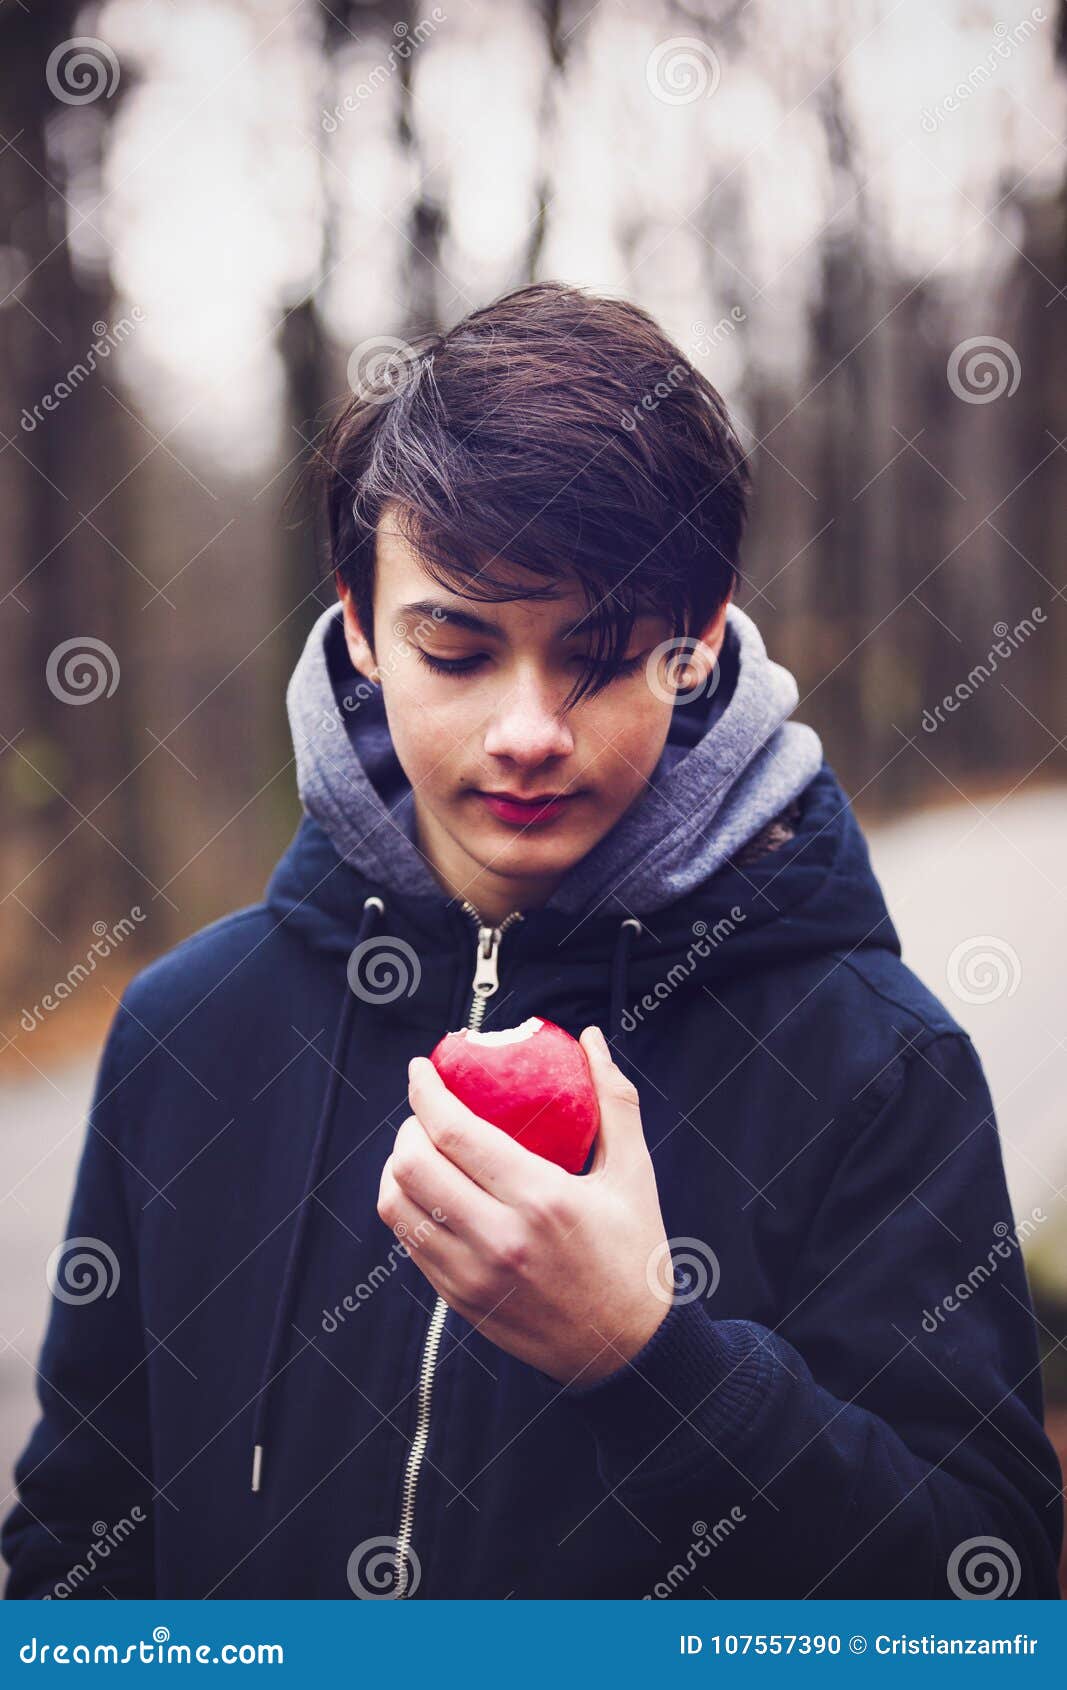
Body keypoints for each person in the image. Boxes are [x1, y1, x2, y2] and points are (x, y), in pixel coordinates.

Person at [3, 282, 1062, 1600]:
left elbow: (989, 1593)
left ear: (702, 632)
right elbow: (77, 1542)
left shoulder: (875, 1059)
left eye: (601, 653)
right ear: (358, 618)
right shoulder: (185, 1034)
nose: (527, 730)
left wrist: (652, 1360)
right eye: (457, 646)